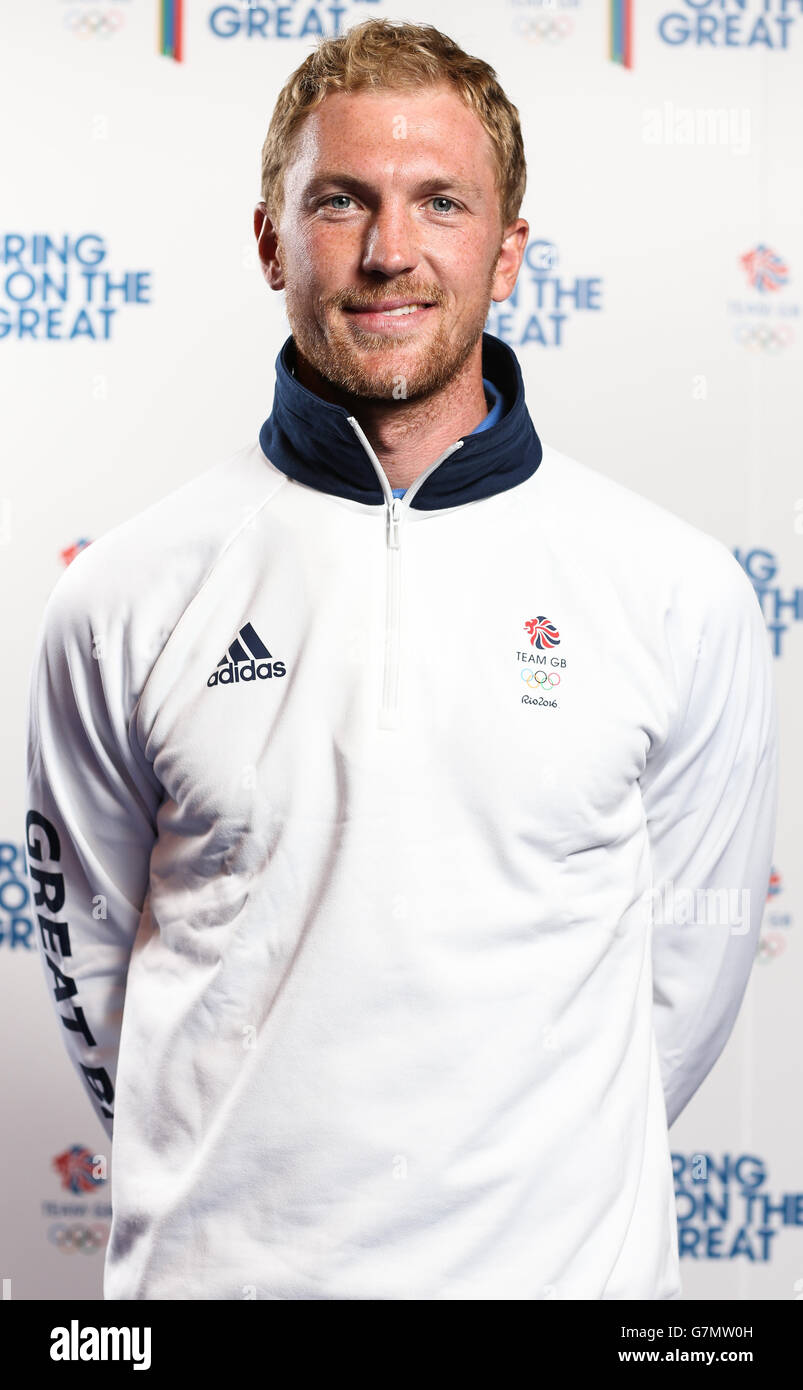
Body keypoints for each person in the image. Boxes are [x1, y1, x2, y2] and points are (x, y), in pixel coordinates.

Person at [24, 18, 778, 1301]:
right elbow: (90, 964)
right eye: (339, 201)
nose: (389, 251)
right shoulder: (123, 595)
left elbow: (683, 992)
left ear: (508, 251)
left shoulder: (675, 591)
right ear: (269, 241)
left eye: (440, 201)